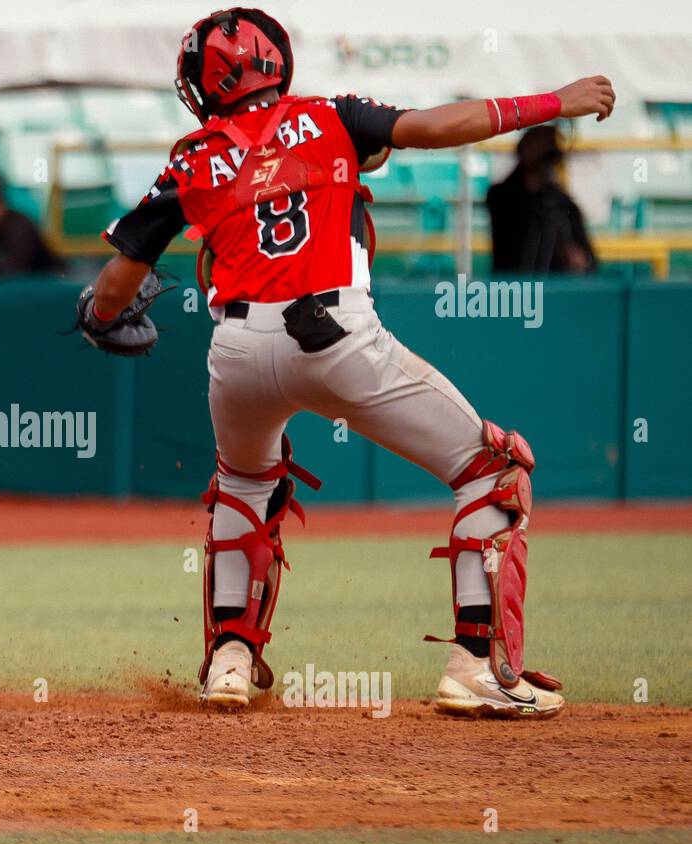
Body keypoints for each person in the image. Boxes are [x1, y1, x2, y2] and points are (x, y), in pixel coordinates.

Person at [79, 7, 614, 715]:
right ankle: (477, 667)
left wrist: (99, 318)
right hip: (336, 335)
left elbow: (116, 286)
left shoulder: (193, 155)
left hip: (235, 352)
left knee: (243, 486)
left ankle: (230, 663)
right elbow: (436, 127)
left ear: (209, 81)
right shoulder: (332, 114)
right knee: (494, 472)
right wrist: (554, 102)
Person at [486, 124, 597, 273]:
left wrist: (581, 260)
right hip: (513, 287)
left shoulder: (563, 205)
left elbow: (589, 259)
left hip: (555, 288)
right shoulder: (502, 197)